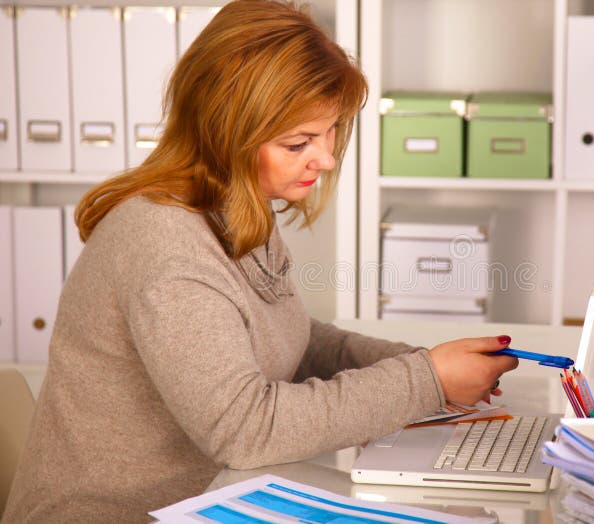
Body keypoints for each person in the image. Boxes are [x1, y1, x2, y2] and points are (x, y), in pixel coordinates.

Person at [1, 1, 518, 521]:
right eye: (299, 142)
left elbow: (292, 337)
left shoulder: (235, 207)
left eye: (331, 131)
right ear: (227, 134)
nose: (327, 158)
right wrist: (423, 380)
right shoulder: (165, 245)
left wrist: (423, 366)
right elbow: (245, 429)